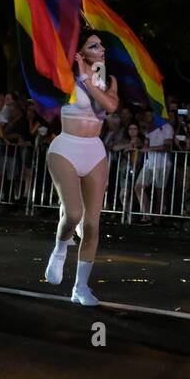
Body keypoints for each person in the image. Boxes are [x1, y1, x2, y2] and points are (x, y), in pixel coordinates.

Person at [42, 29, 119, 306]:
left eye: (101, 46)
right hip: (65, 148)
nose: (101, 49)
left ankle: (81, 287)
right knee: (73, 213)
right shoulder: (66, 79)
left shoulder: (108, 80)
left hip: (94, 151)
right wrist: (78, 72)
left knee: (92, 225)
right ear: (81, 51)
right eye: (93, 45)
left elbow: (109, 105)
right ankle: (60, 247)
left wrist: (87, 76)